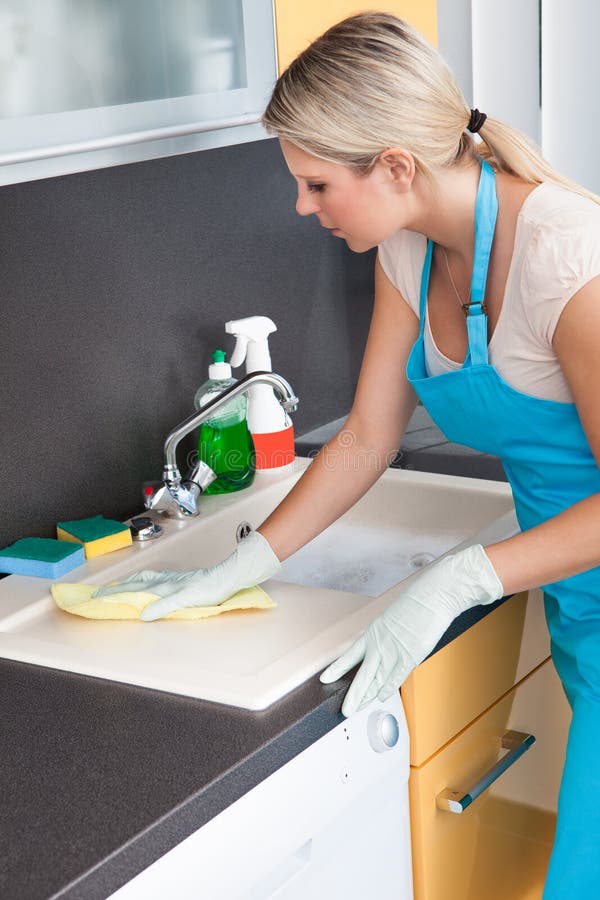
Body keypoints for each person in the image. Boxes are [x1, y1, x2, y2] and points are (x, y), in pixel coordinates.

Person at [96, 13, 600, 896]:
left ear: (396, 167)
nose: (302, 207)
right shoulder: (408, 247)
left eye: (317, 184)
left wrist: (462, 577)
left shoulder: (568, 258)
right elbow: (368, 436)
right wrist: (247, 559)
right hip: (577, 595)